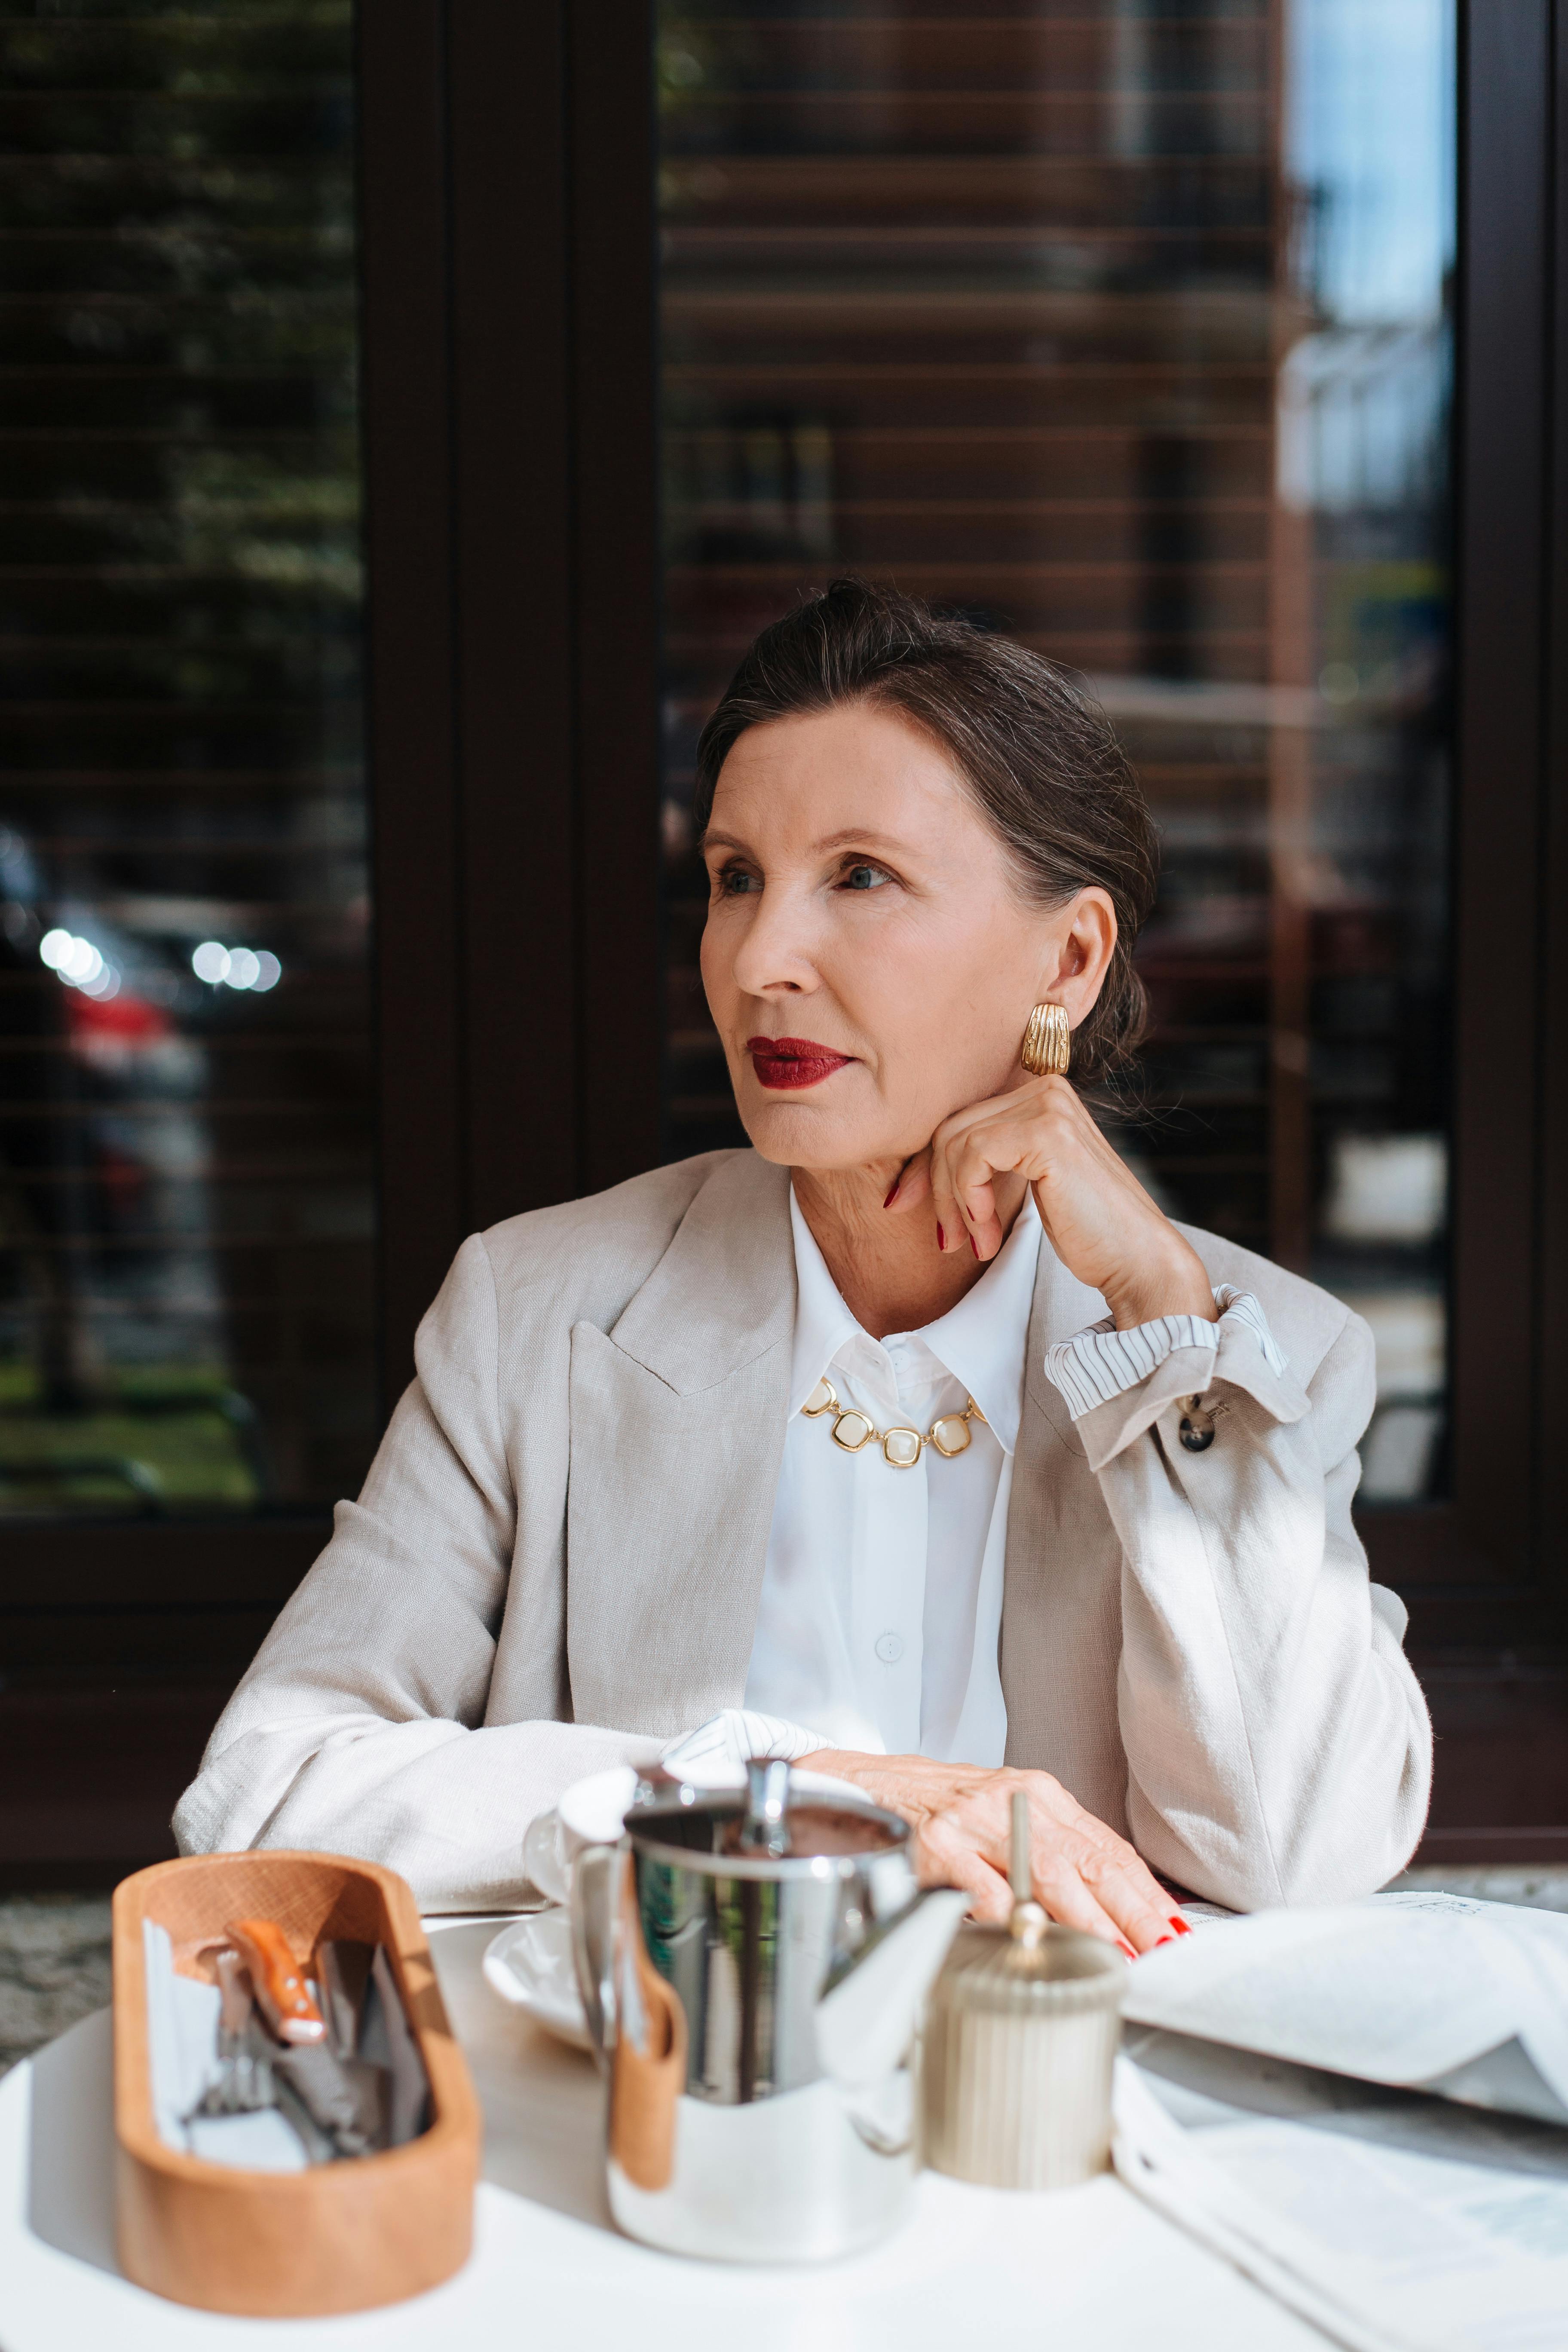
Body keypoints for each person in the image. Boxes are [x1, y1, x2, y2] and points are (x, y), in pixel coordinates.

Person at [175, 580, 1431, 1948]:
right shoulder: (537, 1310)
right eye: (734, 880)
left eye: (862, 876)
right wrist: (798, 1791)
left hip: (1053, 2115)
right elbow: (269, 1791)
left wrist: (1166, 1325)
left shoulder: (1266, 1352)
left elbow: (1300, 1855)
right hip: (658, 2111)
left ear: (1067, 962)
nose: (761, 960)